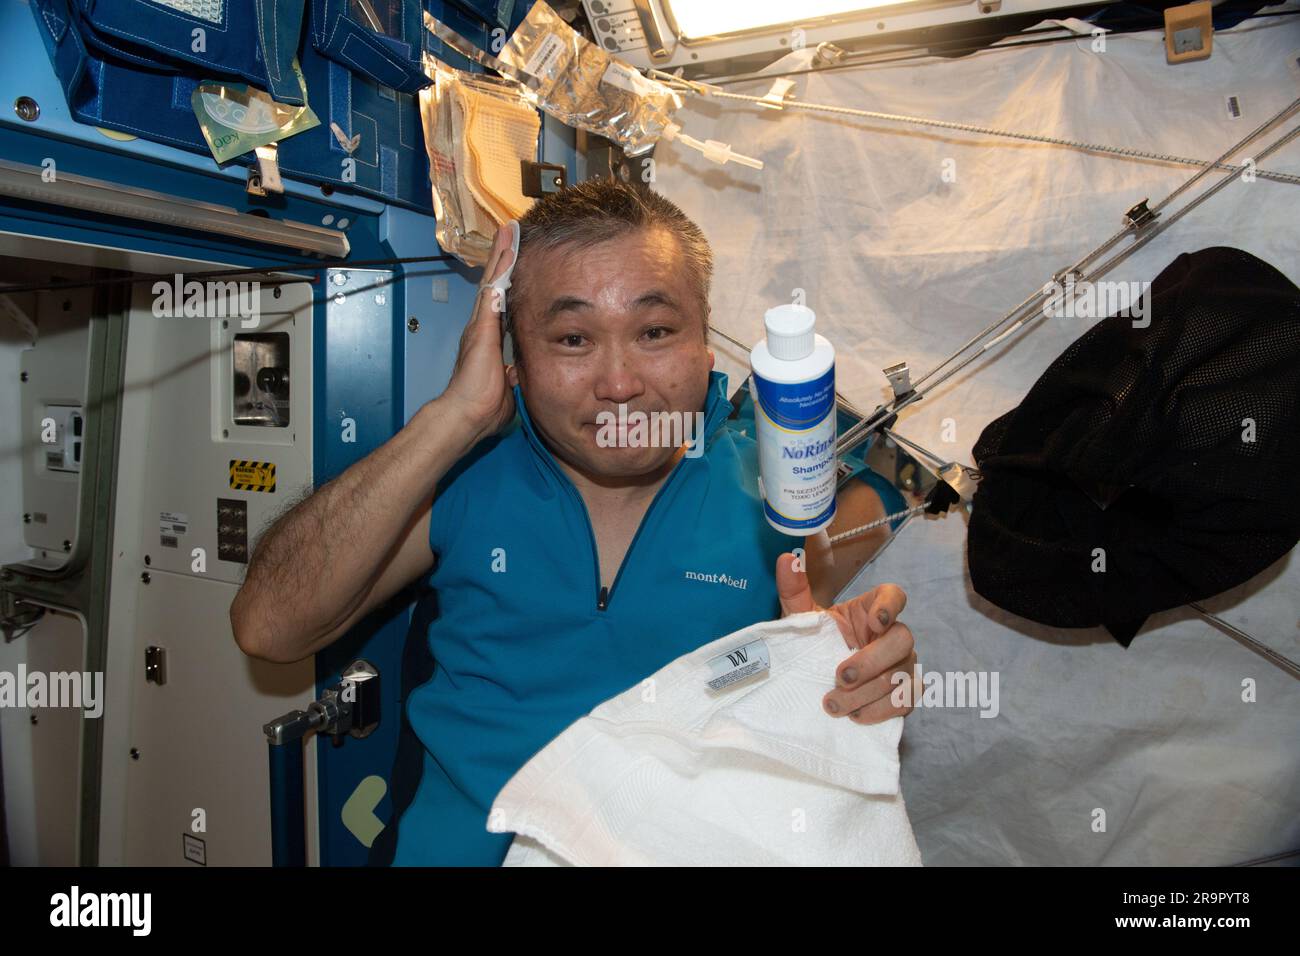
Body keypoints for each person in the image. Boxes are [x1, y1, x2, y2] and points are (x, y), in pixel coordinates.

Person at [231, 179, 919, 865]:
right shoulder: (462, 478)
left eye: (654, 331)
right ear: (516, 358)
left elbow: (872, 524)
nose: (619, 383)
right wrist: (453, 417)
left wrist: (853, 679)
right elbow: (268, 626)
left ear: (705, 343)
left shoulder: (775, 493)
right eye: (571, 338)